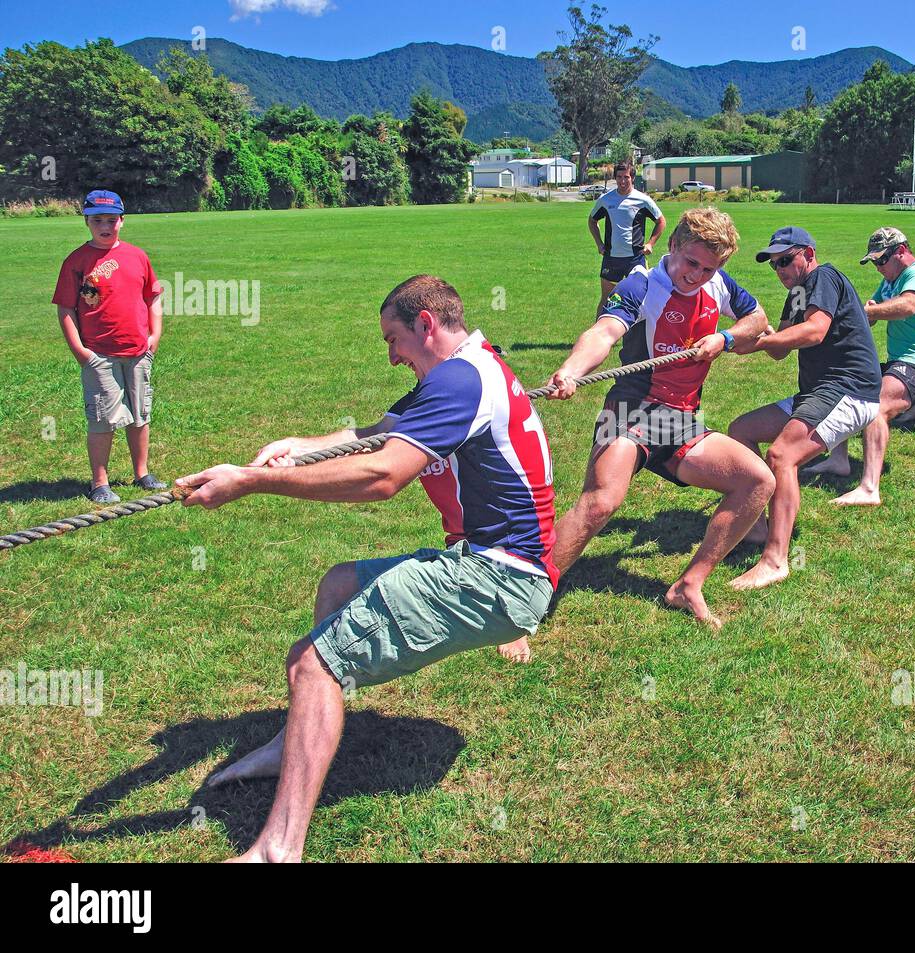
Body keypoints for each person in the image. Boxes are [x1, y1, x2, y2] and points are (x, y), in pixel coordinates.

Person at [179, 275, 558, 862]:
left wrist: (255, 482)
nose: (391, 356)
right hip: (490, 561)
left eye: (394, 339)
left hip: (501, 578)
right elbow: (372, 436)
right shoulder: (466, 368)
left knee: (313, 664)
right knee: (338, 585)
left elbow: (384, 476)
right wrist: (299, 446)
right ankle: (292, 743)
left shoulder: (460, 381)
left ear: (426, 324)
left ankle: (278, 850)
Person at [531, 206, 773, 635]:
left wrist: (725, 337)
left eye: (708, 268)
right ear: (673, 245)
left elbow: (758, 319)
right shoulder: (642, 284)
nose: (697, 276)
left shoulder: (718, 283)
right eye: (691, 262)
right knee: (602, 502)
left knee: (758, 480)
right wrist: (572, 370)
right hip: (631, 407)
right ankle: (527, 599)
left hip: (682, 418)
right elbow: (604, 332)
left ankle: (689, 584)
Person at [727, 227, 881, 589]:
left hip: (850, 390)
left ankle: (776, 559)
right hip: (818, 392)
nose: (780, 269)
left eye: (786, 259)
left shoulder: (823, 276)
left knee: (782, 456)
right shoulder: (796, 294)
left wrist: (760, 341)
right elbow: (779, 349)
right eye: (774, 264)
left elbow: (815, 331)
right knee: (741, 431)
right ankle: (758, 528)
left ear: (808, 254)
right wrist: (738, 339)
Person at [809, 227, 915, 506]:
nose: (877, 267)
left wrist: (869, 311)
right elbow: (872, 315)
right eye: (873, 262)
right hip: (903, 361)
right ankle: (838, 461)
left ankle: (869, 488)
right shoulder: (890, 280)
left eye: (881, 260)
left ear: (901, 251)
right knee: (845, 388)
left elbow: (909, 305)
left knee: (876, 405)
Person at [53, 190, 166, 504]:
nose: (106, 225)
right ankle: (99, 482)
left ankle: (142, 473)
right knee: (103, 418)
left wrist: (154, 334)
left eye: (112, 219)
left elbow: (152, 297)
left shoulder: (137, 256)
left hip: (138, 350)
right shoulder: (77, 261)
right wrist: (81, 351)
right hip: (99, 354)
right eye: (98, 220)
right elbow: (66, 309)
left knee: (140, 414)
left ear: (122, 221)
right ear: (87, 222)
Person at [589, 160, 666, 315]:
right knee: (607, 299)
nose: (622, 181)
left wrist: (650, 243)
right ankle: (600, 337)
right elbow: (592, 220)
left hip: (636, 259)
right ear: (615, 178)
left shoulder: (643, 200)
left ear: (632, 178)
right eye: (619, 177)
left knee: (642, 300)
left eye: (626, 177)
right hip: (611, 258)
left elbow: (661, 221)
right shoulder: (605, 200)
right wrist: (599, 243)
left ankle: (639, 338)